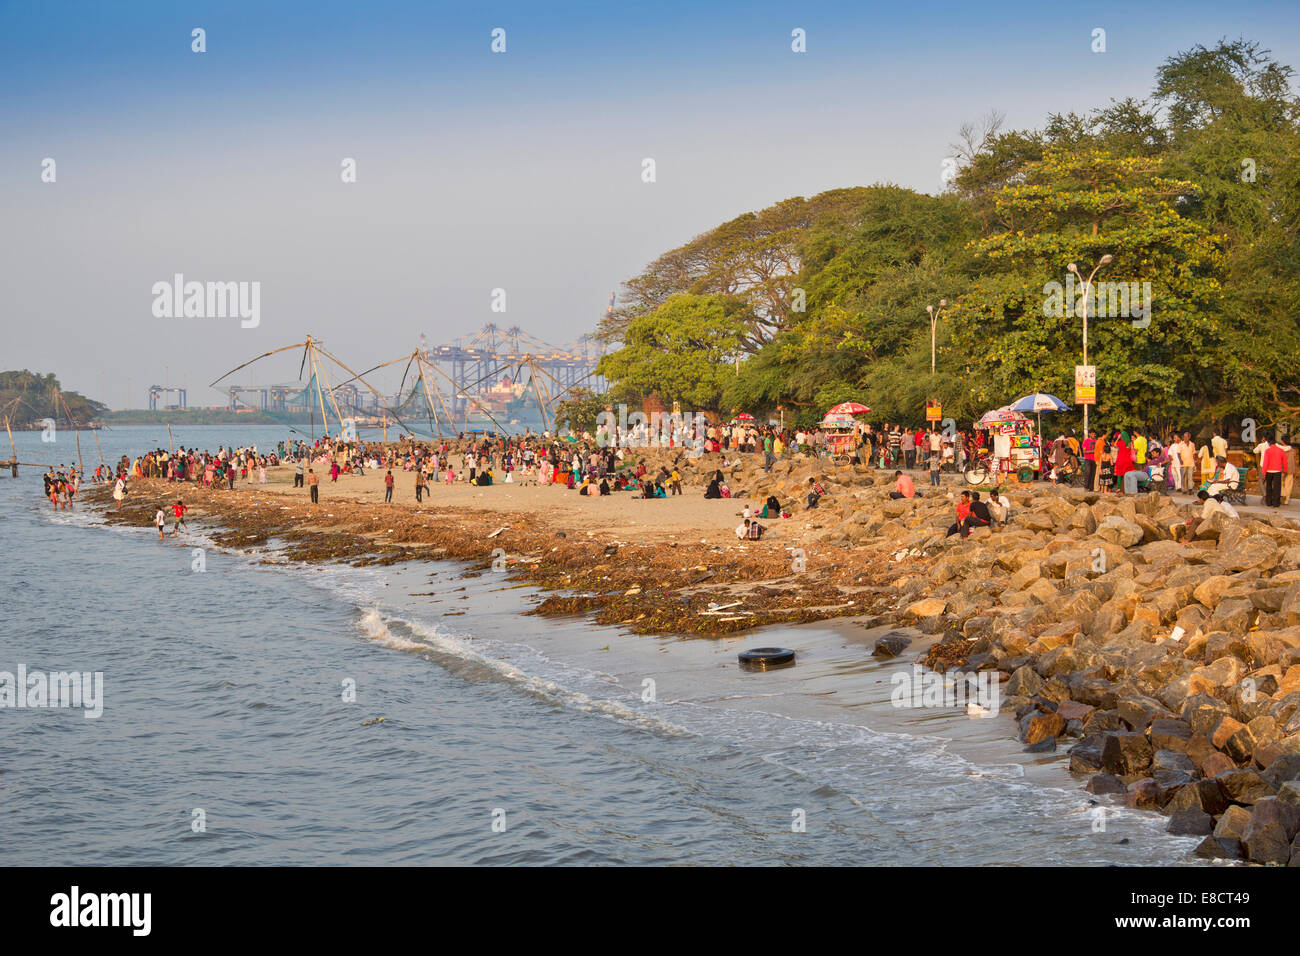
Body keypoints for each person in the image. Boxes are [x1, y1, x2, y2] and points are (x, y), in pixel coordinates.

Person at [1260, 435, 1288, 508]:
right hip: (1277, 471)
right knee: (1277, 488)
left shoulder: (1267, 451)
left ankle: (1269, 503)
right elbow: (1285, 462)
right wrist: (1285, 470)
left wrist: (1263, 472)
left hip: (1269, 471)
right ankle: (1276, 504)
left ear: (1269, 443)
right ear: (1275, 443)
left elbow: (1265, 462)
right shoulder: (1281, 451)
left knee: (1268, 487)